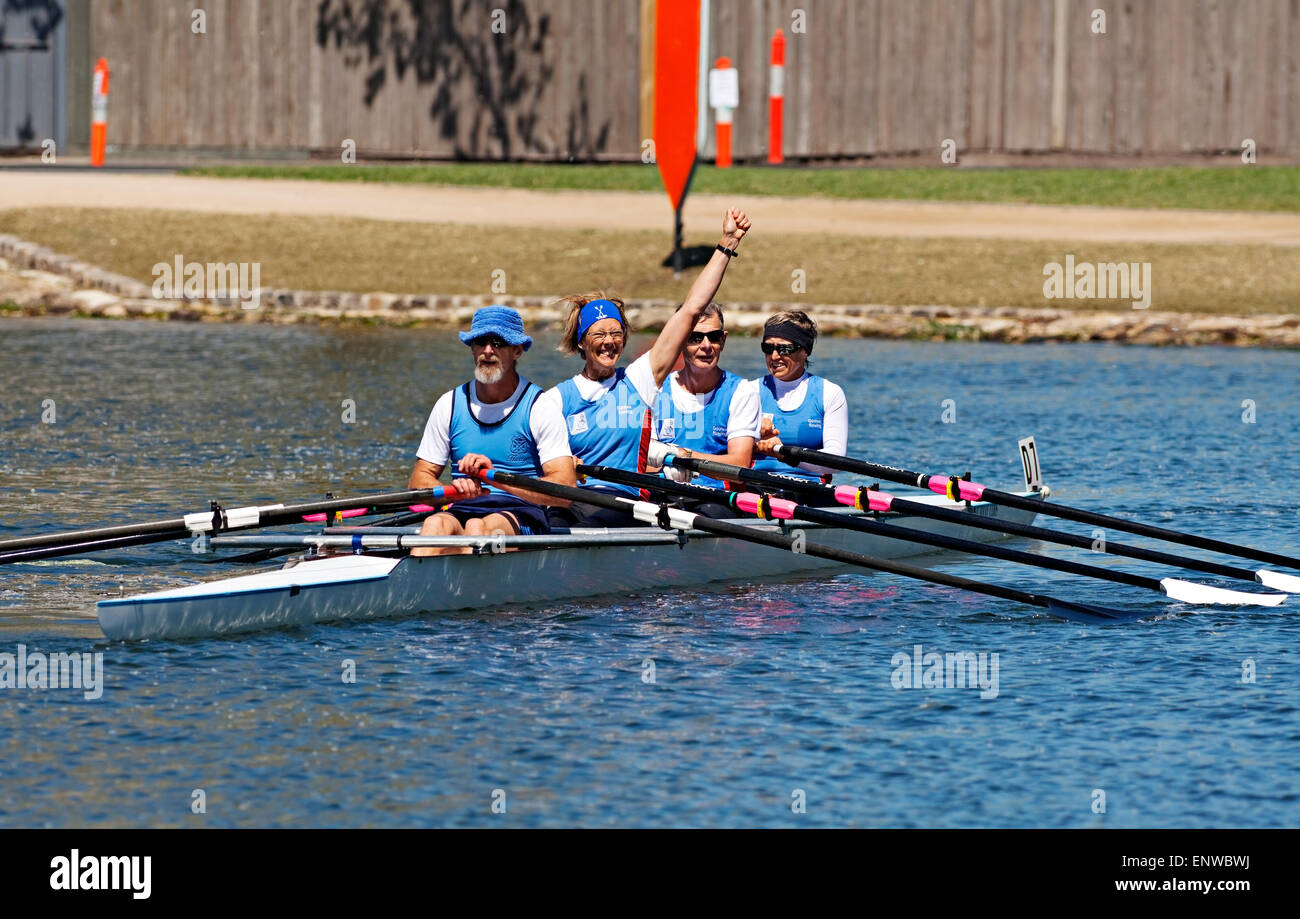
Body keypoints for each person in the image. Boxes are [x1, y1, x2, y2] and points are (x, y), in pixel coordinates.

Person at [543, 207, 753, 526]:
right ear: (581, 342)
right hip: (573, 501)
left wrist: (727, 245)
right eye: (599, 334)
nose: (609, 341)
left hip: (625, 506)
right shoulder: (555, 401)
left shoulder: (639, 380)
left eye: (616, 333)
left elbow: (691, 310)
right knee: (551, 522)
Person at [407, 305, 576, 555]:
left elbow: (565, 490)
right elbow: (417, 484)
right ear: (472, 348)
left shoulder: (540, 407)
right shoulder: (449, 404)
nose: (487, 350)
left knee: (478, 529)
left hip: (521, 514)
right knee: (434, 524)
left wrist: (494, 477)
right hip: (464, 508)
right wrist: (456, 492)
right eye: (480, 341)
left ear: (517, 350)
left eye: (498, 342)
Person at [649, 296, 762, 510]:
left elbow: (740, 463)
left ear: (724, 340)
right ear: (680, 340)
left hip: (715, 499)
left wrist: (683, 457)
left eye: (714, 337)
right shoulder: (656, 389)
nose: (706, 346)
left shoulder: (742, 392)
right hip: (662, 494)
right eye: (696, 337)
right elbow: (639, 458)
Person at [750, 310, 848, 489]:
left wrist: (784, 454)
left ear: (805, 351)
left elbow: (836, 461)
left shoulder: (830, 393)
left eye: (784, 349)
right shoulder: (748, 392)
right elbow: (722, 447)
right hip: (756, 487)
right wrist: (752, 435)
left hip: (810, 489)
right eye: (768, 348)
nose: (774, 356)